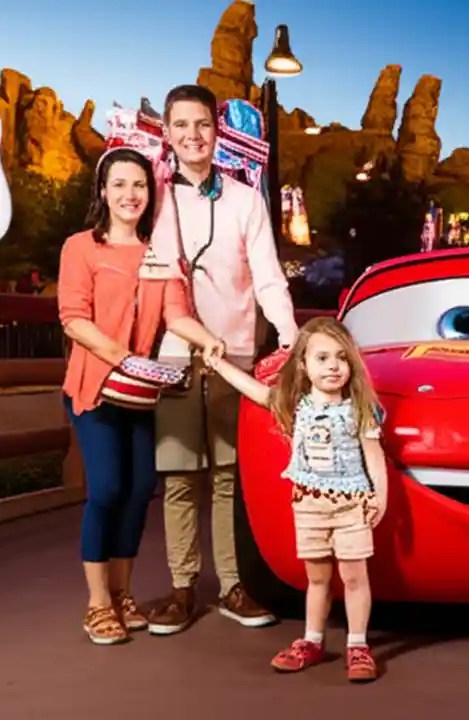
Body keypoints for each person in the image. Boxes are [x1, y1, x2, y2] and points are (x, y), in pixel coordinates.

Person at [144, 84, 300, 635]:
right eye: (181, 125)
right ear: (167, 132)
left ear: (217, 131)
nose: (193, 135)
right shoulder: (154, 198)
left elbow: (267, 276)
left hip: (234, 354)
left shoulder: (243, 198)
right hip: (173, 355)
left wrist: (289, 339)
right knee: (181, 477)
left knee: (231, 476)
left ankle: (233, 584)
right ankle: (183, 587)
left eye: (203, 125)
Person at [58, 147, 227, 645]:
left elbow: (175, 315)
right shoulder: (82, 248)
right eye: (119, 185)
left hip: (139, 393)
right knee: (107, 488)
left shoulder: (159, 254)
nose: (130, 194)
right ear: (103, 192)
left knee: (138, 491)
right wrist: (121, 356)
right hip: (95, 385)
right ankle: (97, 603)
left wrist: (206, 338)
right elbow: (73, 316)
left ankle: (123, 594)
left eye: (139, 185)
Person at [206, 315, 387, 682]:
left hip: (352, 504)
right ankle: (312, 640)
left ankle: (357, 645)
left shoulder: (360, 408)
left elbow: (373, 454)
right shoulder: (295, 406)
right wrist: (217, 363)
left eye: (341, 357)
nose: (334, 366)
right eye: (322, 358)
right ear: (303, 365)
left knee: (354, 576)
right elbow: (253, 390)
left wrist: (378, 496)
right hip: (309, 505)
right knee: (317, 578)